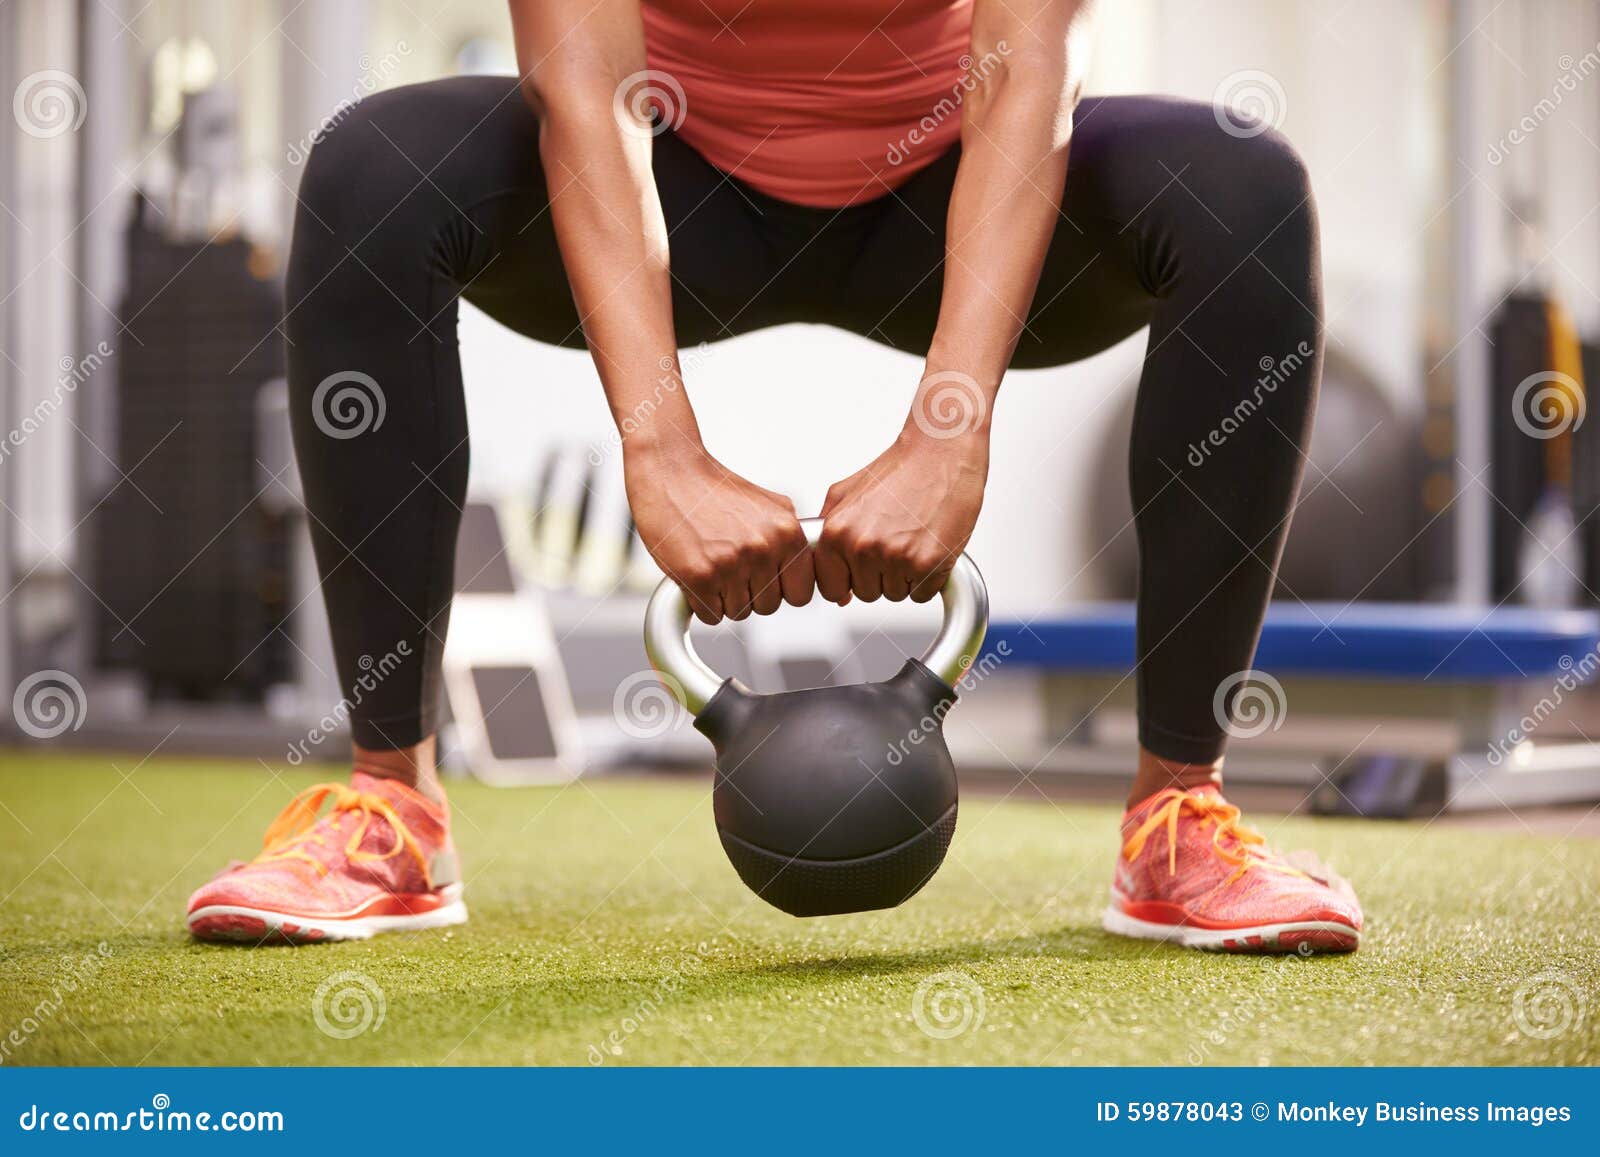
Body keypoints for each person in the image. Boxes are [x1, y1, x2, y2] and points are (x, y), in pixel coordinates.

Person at [185, 0, 1362, 953]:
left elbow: (1022, 76)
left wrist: (948, 427)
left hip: (942, 184)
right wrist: (662, 448)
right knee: (367, 171)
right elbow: (586, 97)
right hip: (678, 183)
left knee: (1243, 191)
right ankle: (393, 802)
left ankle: (1176, 813)